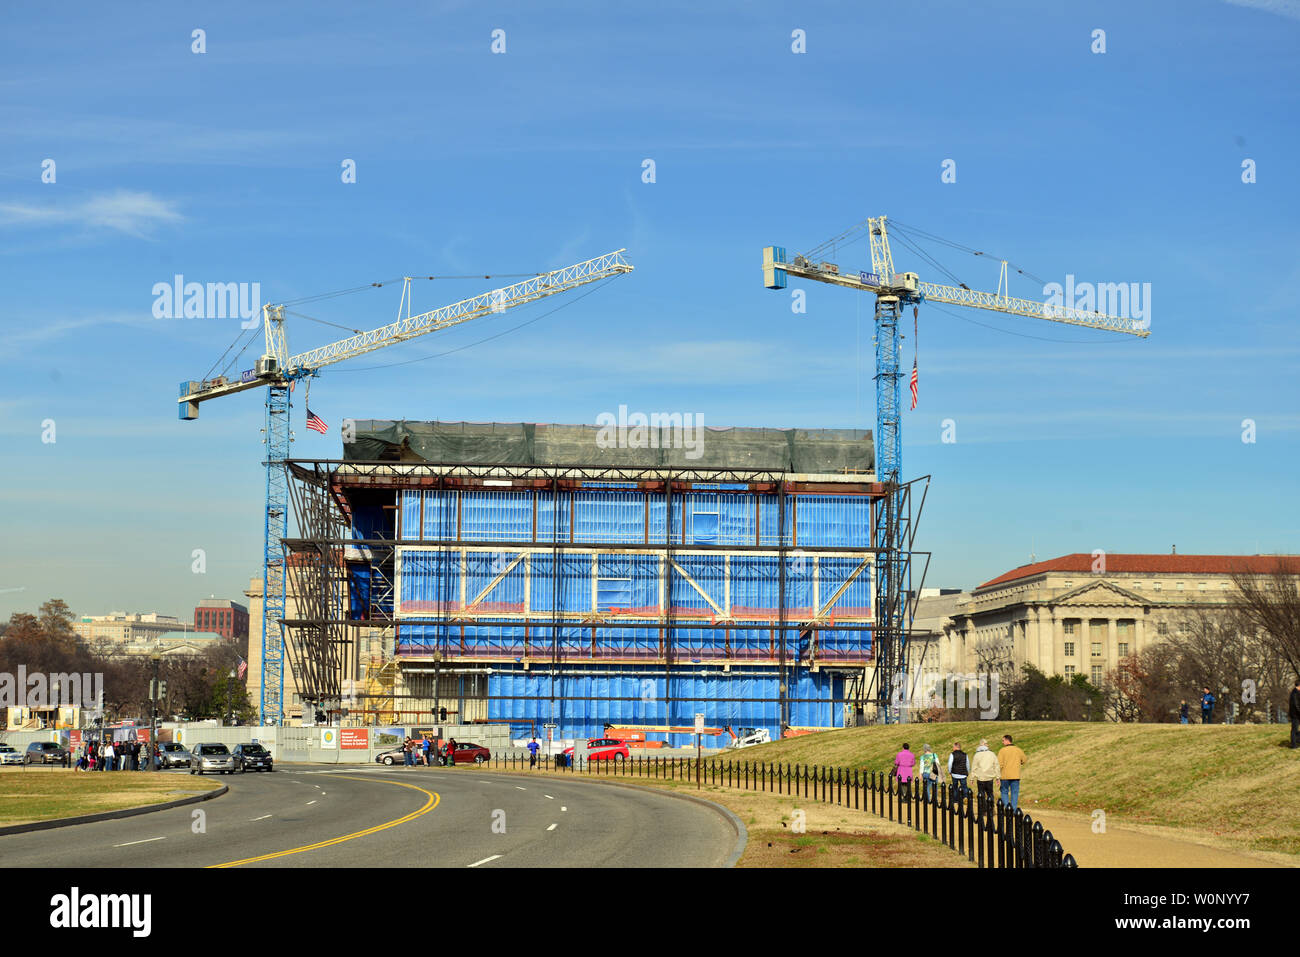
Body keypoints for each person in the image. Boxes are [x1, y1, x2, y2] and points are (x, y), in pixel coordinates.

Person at [969, 738, 999, 818]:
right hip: (989, 777)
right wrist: (997, 777)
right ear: (986, 745)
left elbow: (974, 767)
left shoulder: (977, 755)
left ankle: (984, 810)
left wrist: (972, 778)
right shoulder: (992, 754)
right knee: (990, 793)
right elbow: (996, 765)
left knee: (981, 794)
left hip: (981, 778)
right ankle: (991, 809)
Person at [997, 734, 1027, 811]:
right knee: (1014, 793)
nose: (1002, 742)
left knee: (1004, 792)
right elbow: (1024, 760)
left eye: (1003, 740)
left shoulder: (1002, 751)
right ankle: (1013, 810)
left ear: (1007, 740)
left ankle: (1007, 809)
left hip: (1005, 776)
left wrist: (997, 775)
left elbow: (999, 764)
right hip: (1015, 775)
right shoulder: (1018, 750)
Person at [948, 743, 969, 809]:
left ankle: (956, 800)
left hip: (955, 773)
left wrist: (949, 771)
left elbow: (950, 763)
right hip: (963, 774)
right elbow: (967, 764)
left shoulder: (952, 754)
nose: (952, 748)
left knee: (955, 787)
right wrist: (968, 771)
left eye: (953, 747)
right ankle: (965, 798)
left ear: (956, 747)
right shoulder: (965, 754)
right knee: (964, 787)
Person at [1289, 678, 1300, 750]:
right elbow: (1296, 705)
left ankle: (1297, 740)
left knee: (1295, 729)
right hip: (1295, 715)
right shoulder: (1295, 693)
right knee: (1294, 729)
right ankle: (1294, 745)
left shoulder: (1297, 692)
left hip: (1297, 714)